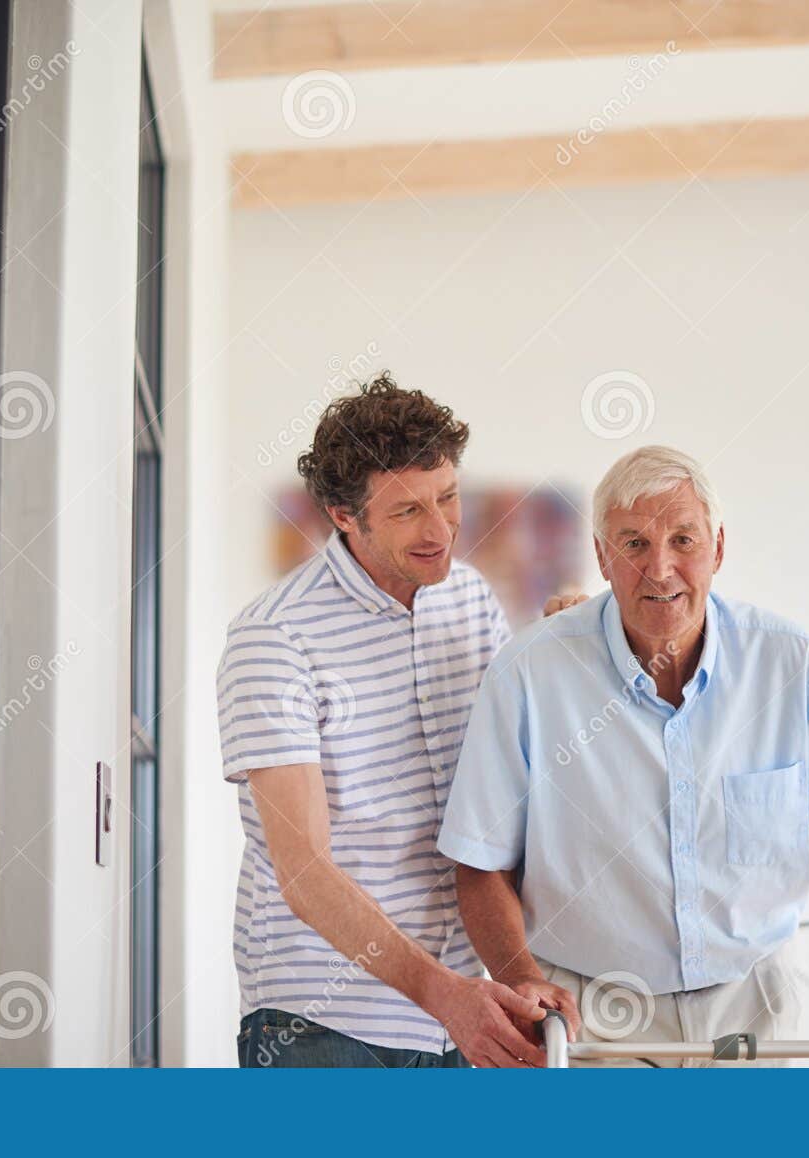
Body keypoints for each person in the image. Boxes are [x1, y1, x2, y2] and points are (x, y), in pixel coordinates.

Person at [439, 445, 809, 1066]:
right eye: (633, 544)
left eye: (683, 540)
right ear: (601, 554)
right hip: (591, 1012)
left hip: (755, 1004)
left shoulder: (792, 665)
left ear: (718, 548)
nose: (660, 568)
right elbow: (479, 866)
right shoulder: (529, 674)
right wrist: (520, 979)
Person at [217, 372, 572, 1068]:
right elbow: (306, 872)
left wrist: (574, 655)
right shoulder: (274, 639)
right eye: (408, 511)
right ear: (344, 516)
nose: (440, 530)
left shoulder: (468, 598)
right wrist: (446, 995)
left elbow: (506, 789)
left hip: (463, 1012)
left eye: (447, 497)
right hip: (324, 1022)